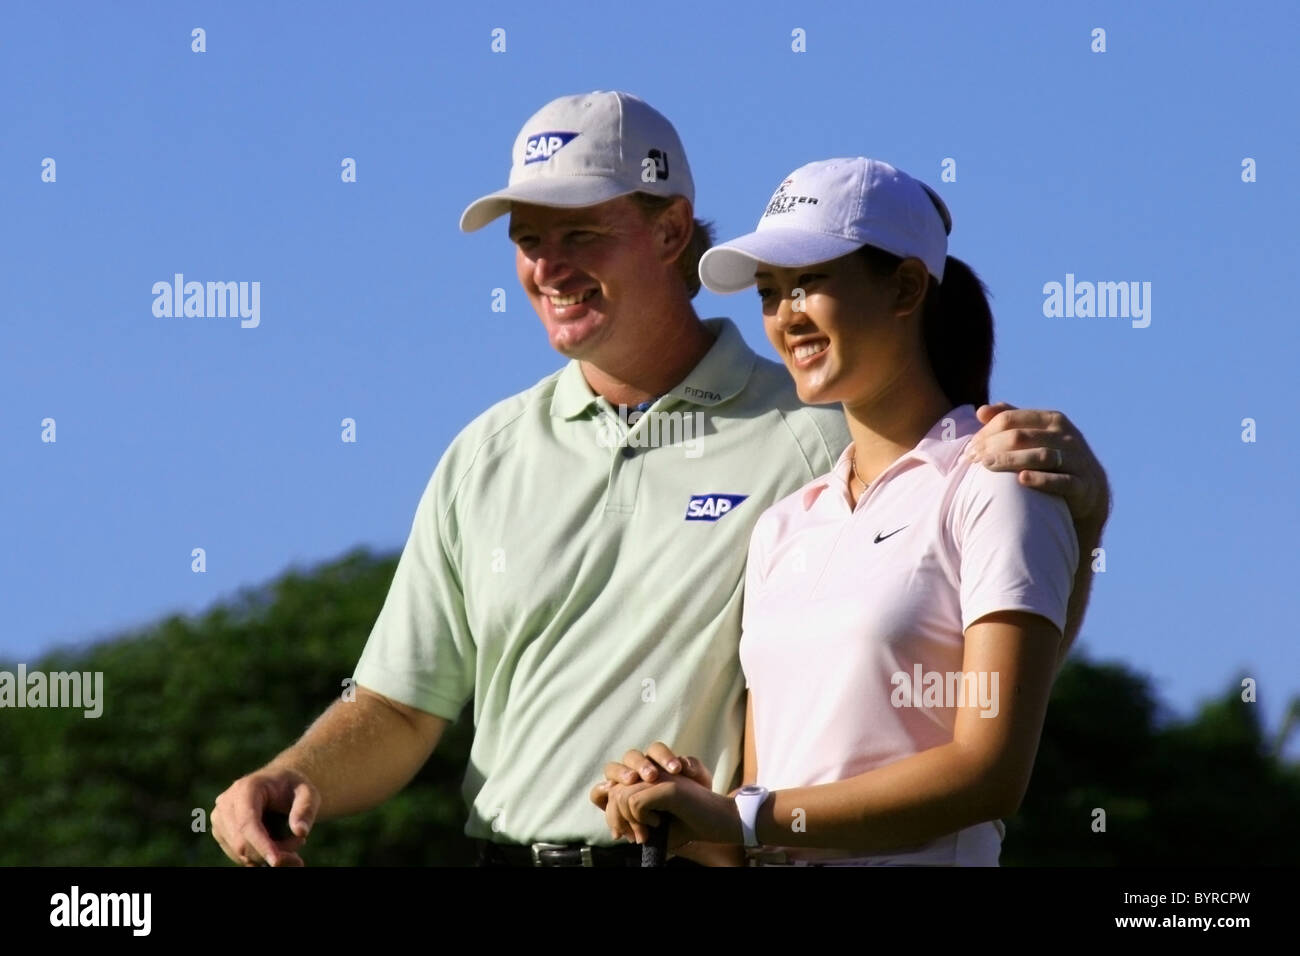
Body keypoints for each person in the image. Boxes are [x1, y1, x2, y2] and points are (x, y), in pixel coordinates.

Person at [210, 93, 1110, 868]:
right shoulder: (484, 456)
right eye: (529, 239)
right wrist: (292, 774)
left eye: (580, 233)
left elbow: (968, 690)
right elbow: (400, 709)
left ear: (672, 230)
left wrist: (1083, 521)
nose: (548, 266)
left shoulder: (830, 436)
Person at [594, 157, 1085, 866]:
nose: (786, 314)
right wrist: (692, 812)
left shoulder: (995, 480)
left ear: (907, 287)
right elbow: (769, 812)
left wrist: (746, 818)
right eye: (769, 292)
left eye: (810, 283)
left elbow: (989, 774)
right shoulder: (783, 525)